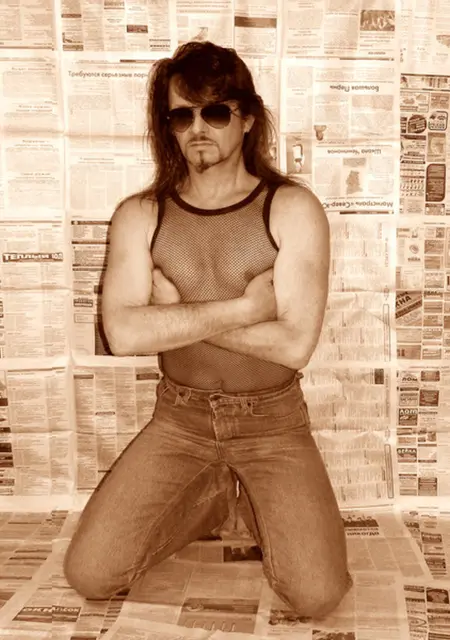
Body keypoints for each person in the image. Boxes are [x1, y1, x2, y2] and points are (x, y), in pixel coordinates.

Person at [63, 40, 352, 619]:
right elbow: (124, 335)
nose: (198, 128)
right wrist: (244, 309)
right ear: (168, 128)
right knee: (90, 574)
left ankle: (250, 498)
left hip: (272, 423)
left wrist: (175, 315)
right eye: (181, 115)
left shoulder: (291, 209)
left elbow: (295, 344)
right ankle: (216, 496)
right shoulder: (141, 216)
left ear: (247, 120)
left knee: (317, 595)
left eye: (215, 111)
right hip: (180, 420)